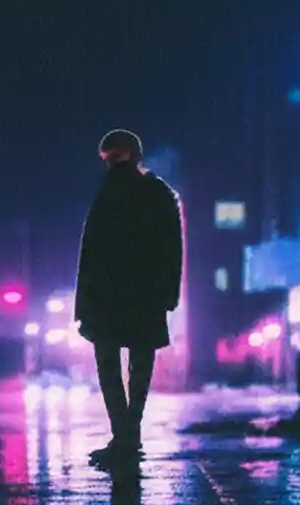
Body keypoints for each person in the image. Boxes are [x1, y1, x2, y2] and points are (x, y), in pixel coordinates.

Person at [74, 129, 183, 459]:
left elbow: (90, 252)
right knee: (137, 364)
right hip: (143, 294)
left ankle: (124, 434)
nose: (112, 163)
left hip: (111, 296)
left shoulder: (109, 192)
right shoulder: (158, 192)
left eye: (113, 157)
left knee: (113, 364)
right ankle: (127, 434)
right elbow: (172, 248)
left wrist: (84, 304)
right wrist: (168, 292)